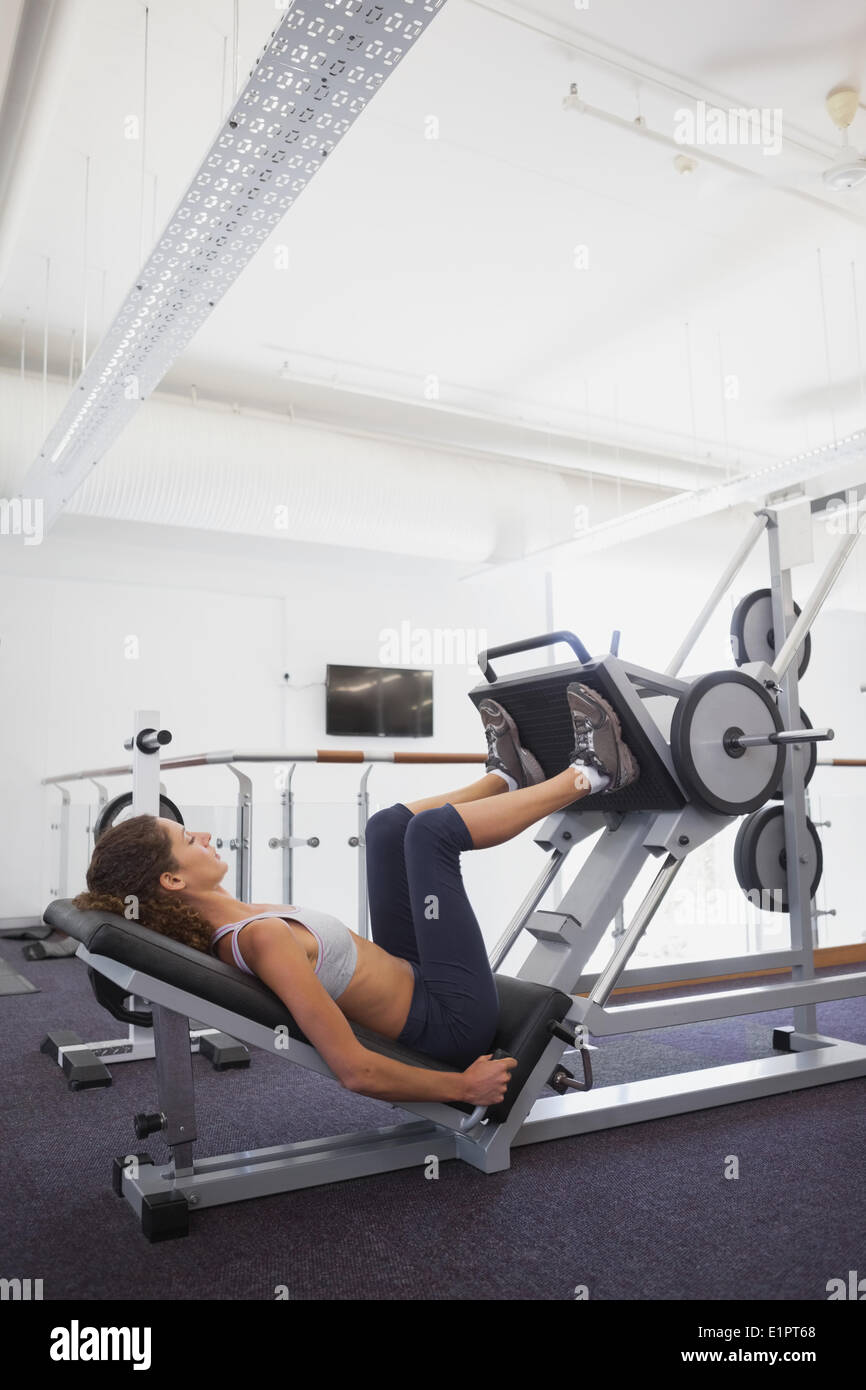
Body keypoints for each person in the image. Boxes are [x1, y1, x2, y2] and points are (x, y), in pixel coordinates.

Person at [74, 683, 638, 1109]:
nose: (200, 834)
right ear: (173, 882)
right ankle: (590, 776)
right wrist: (462, 1087)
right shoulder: (262, 939)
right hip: (450, 1020)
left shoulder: (240, 920)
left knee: (387, 827)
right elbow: (353, 1070)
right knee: (432, 834)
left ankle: (505, 780)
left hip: (410, 971)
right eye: (185, 839)